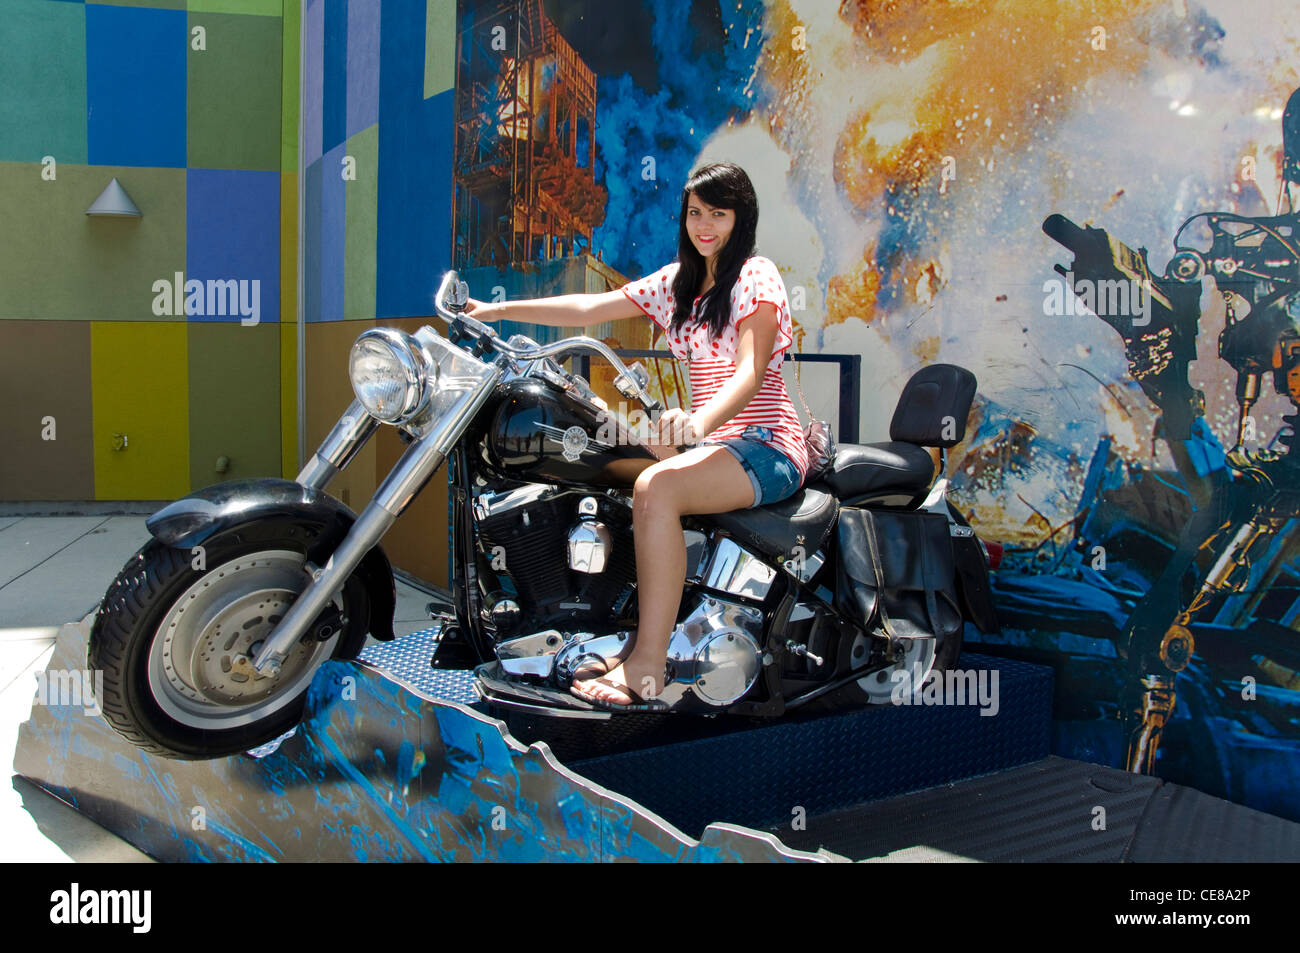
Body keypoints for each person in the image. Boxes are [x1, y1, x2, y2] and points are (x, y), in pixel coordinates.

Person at [465, 162, 809, 709]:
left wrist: (697, 422)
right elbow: (590, 307)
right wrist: (496, 311)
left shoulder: (755, 275)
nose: (704, 226)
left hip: (766, 444)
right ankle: (611, 624)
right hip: (716, 445)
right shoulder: (680, 284)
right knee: (604, 453)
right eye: (696, 213)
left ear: (740, 219)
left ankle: (647, 666)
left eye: (718, 214)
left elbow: (750, 369)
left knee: (656, 488)